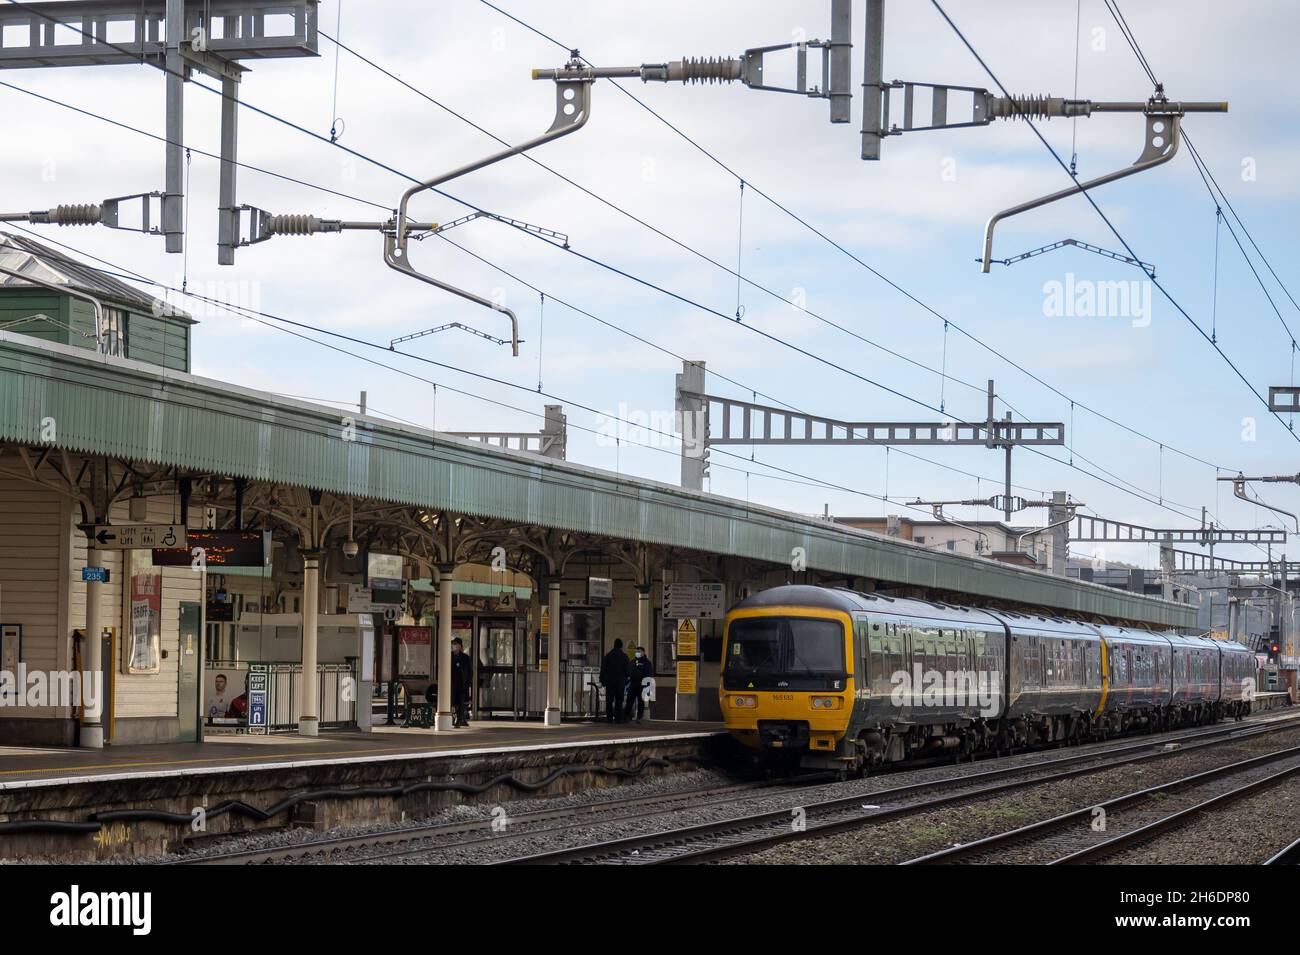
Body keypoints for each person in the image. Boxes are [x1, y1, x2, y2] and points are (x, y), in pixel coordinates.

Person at [624, 645, 655, 723]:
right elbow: (628, 672)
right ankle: (627, 716)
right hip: (633, 684)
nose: (637, 653)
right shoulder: (632, 662)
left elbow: (649, 674)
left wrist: (647, 686)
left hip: (642, 685)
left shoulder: (646, 663)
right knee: (629, 701)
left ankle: (639, 717)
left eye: (639, 651)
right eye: (636, 652)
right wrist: (627, 682)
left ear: (643, 653)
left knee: (640, 702)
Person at [600, 638, 628, 723]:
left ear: (614, 645)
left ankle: (609, 718)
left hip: (610, 681)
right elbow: (627, 670)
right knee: (619, 700)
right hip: (620, 682)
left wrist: (602, 680)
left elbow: (603, 669)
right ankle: (618, 718)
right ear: (621, 646)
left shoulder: (608, 656)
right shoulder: (624, 656)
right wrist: (626, 680)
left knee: (609, 700)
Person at [450, 637, 473, 728]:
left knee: (460, 702)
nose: (454, 646)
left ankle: (458, 720)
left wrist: (467, 683)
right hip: (451, 684)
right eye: (453, 644)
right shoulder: (449, 656)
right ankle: (453, 717)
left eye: (456, 644)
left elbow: (470, 672)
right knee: (452, 702)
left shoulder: (465, 657)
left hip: (461, 684)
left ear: (460, 646)